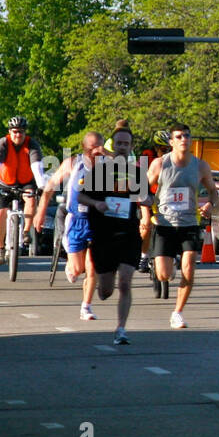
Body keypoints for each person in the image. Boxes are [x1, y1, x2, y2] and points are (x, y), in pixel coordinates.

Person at [78, 124, 150, 344]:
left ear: (130, 148)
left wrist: (145, 200)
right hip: (103, 235)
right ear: (113, 145)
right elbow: (81, 197)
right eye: (118, 143)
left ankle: (121, 330)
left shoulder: (137, 172)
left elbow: (148, 200)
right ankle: (100, 285)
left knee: (126, 282)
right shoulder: (100, 171)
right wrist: (97, 203)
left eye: (126, 144)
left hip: (128, 233)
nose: (121, 147)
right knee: (106, 291)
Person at [146, 123, 218, 329]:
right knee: (164, 275)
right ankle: (165, 267)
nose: (183, 139)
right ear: (171, 142)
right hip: (164, 223)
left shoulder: (201, 166)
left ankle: (177, 312)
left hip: (190, 223)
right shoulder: (160, 165)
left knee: (189, 266)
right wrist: (145, 214)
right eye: (178, 136)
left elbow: (213, 191)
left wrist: (210, 205)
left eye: (186, 136)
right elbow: (143, 191)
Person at [36, 133, 102, 320]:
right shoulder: (73, 164)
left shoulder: (108, 165)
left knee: (92, 266)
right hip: (75, 221)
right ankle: (70, 267)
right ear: (84, 147)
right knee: (77, 269)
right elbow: (49, 186)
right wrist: (40, 212)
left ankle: (86, 307)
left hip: (96, 222)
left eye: (99, 146)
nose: (96, 150)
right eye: (92, 147)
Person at [0, 115, 47, 264]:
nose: (18, 135)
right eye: (15, 131)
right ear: (10, 132)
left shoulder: (32, 145)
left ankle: (26, 232)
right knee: (0, 213)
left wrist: (41, 185)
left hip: (25, 181)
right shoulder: (3, 144)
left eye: (21, 132)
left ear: (25, 132)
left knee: (31, 199)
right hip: (3, 183)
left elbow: (36, 166)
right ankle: (0, 249)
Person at [136, 129, 172, 278]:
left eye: (168, 149)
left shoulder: (173, 159)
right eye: (163, 150)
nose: (165, 153)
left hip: (166, 198)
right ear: (156, 148)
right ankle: (144, 257)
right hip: (147, 196)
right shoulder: (147, 156)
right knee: (146, 226)